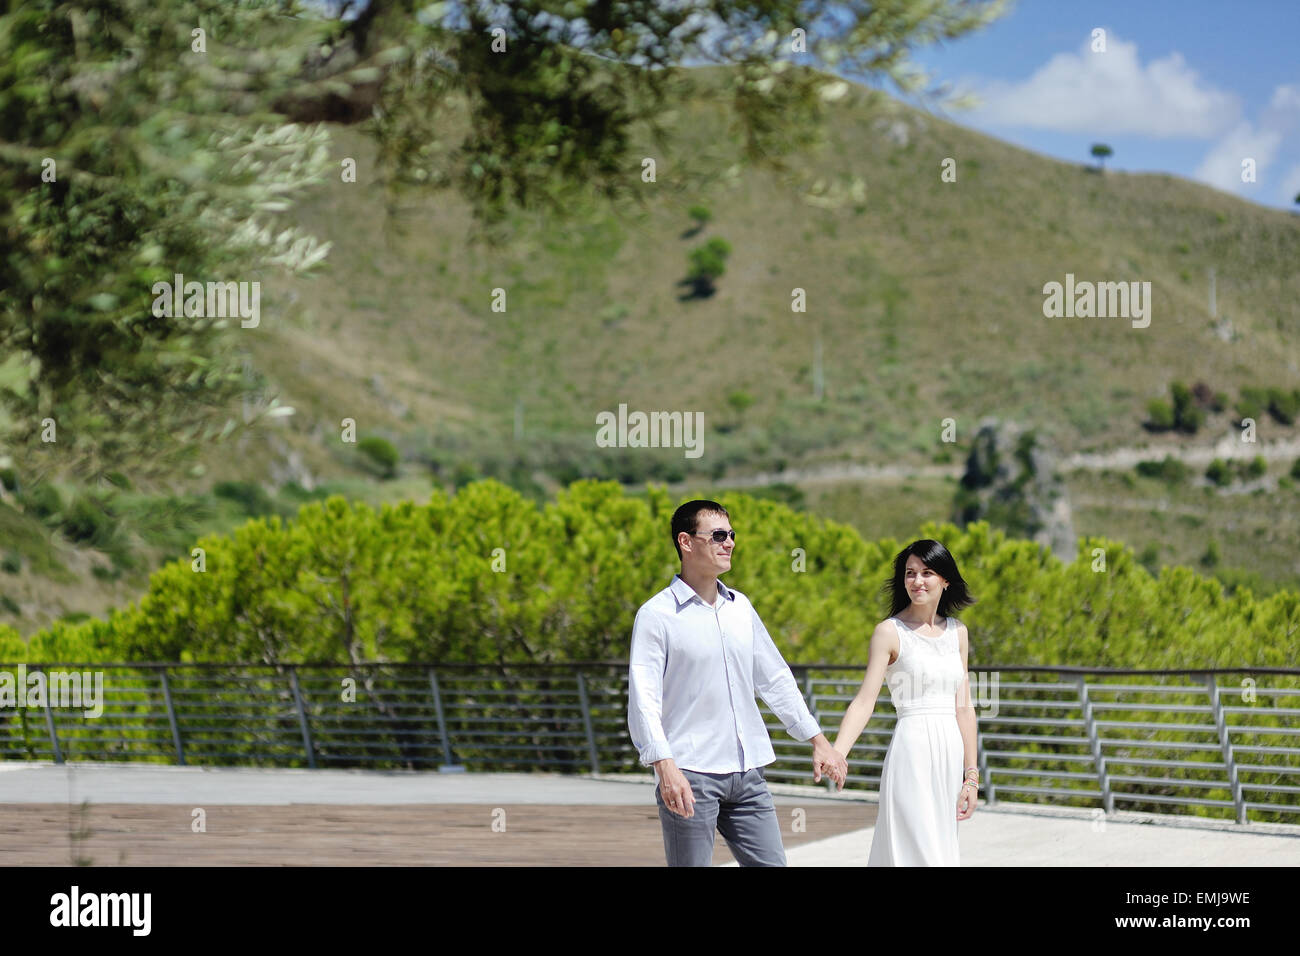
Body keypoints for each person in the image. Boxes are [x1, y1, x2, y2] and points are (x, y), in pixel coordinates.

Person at [627, 499, 848, 866]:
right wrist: (665, 767)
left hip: (748, 775)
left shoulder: (740, 607)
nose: (728, 543)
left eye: (731, 535)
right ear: (685, 541)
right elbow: (643, 700)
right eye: (717, 535)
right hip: (690, 775)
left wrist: (819, 741)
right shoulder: (656, 615)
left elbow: (774, 678)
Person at [830, 539, 979, 865]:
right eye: (910, 573)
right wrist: (838, 752)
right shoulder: (889, 632)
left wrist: (971, 776)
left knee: (940, 850)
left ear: (945, 580)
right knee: (915, 851)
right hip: (911, 752)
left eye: (927, 573)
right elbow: (864, 701)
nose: (917, 581)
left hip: (949, 757)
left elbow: (964, 708)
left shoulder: (958, 632)